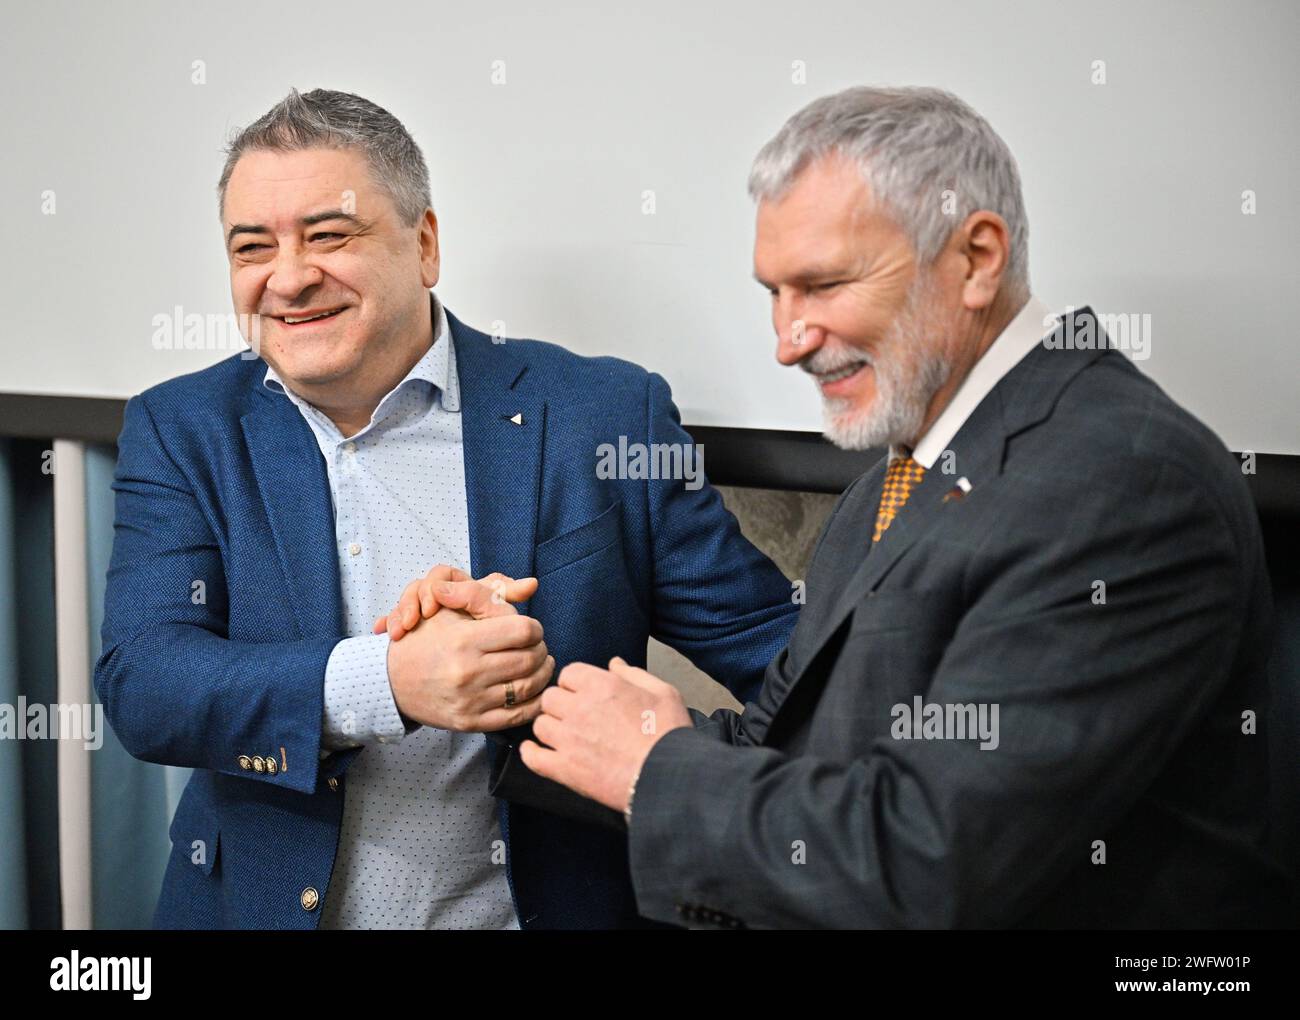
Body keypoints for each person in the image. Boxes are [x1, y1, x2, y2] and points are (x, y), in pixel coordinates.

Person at [514, 85, 1296, 928]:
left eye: (823, 284)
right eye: (774, 293)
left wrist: (655, 767)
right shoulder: (889, 487)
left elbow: (929, 862)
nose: (788, 340)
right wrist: (516, 703)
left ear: (977, 258)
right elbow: (785, 758)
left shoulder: (1126, 483)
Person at [93, 88, 797, 930]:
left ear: (424, 245)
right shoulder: (182, 428)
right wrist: (386, 680)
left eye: (328, 234)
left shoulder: (602, 417)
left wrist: (671, 764)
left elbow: (793, 665)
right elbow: (146, 682)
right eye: (253, 247)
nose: (288, 277)